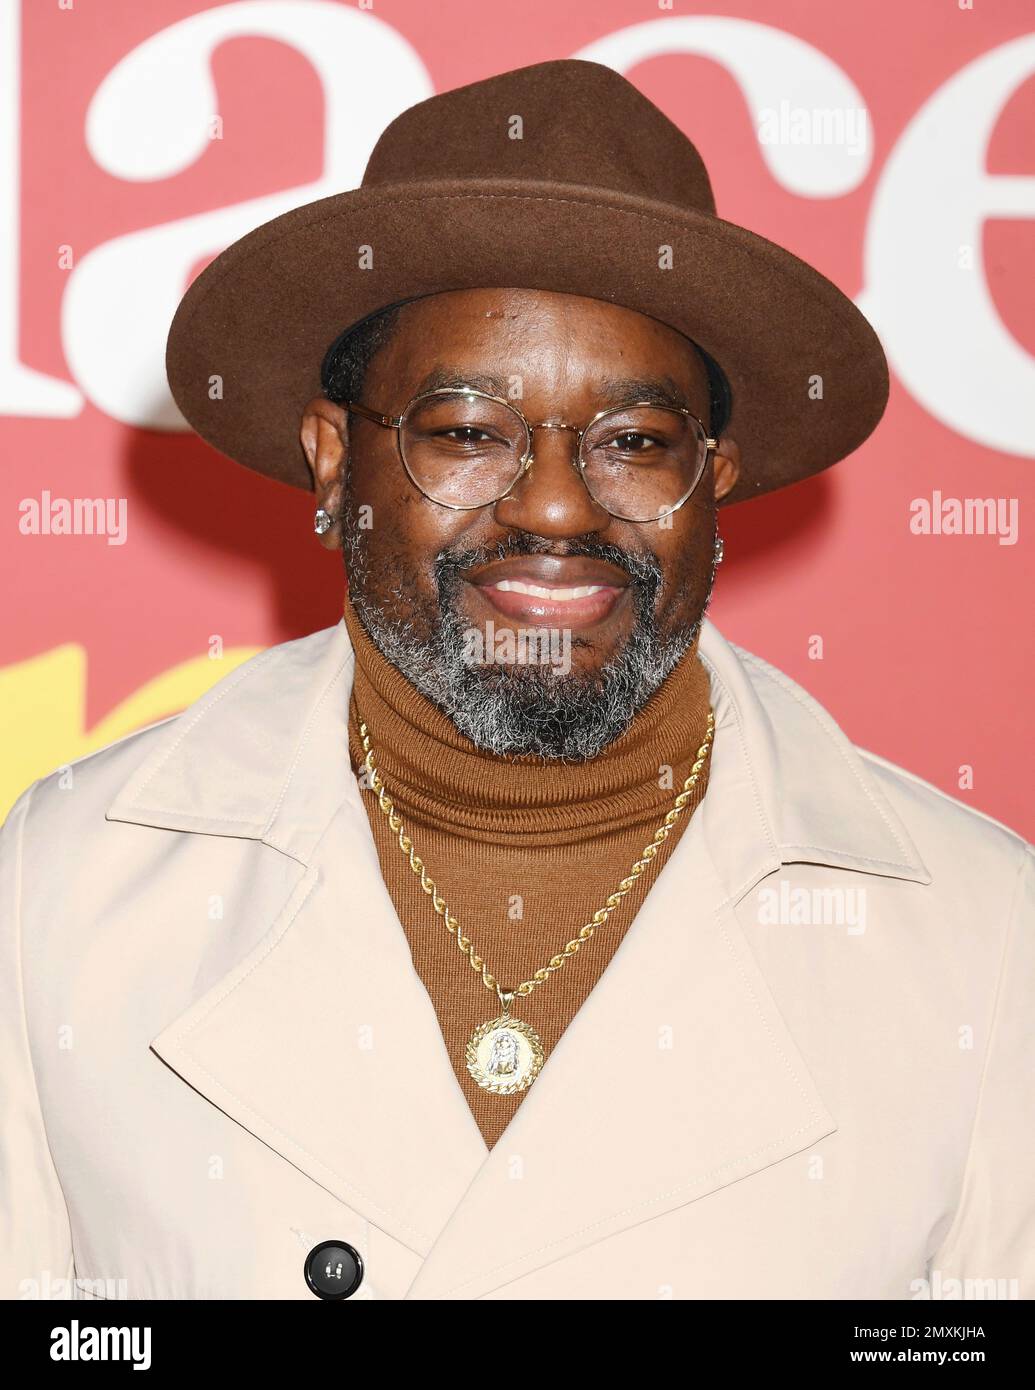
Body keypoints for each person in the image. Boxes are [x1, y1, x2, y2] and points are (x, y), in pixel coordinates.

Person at [2, 60, 1031, 1302]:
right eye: (468, 432)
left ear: (717, 484)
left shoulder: (985, 937)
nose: (553, 504)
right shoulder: (63, 883)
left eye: (636, 443)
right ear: (335, 464)